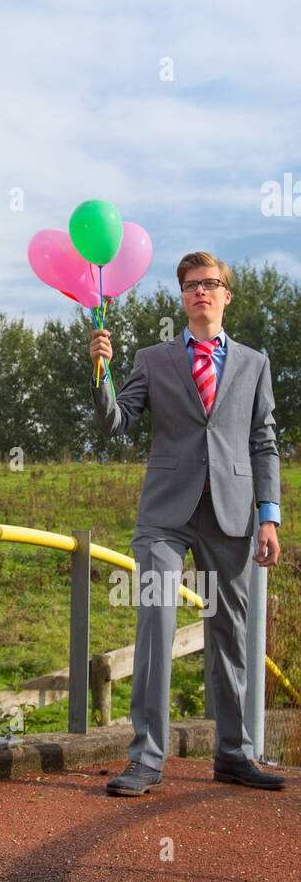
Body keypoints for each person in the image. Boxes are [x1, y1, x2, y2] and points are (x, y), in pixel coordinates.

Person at [89, 251, 284, 795]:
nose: (201, 291)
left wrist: (267, 517)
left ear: (226, 295)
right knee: (156, 622)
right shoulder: (153, 360)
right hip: (165, 518)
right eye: (191, 284)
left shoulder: (254, 364)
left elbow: (264, 444)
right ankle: (147, 758)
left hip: (231, 515)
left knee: (231, 634)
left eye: (211, 283)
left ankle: (235, 755)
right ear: (182, 297)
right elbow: (115, 422)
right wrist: (100, 370)